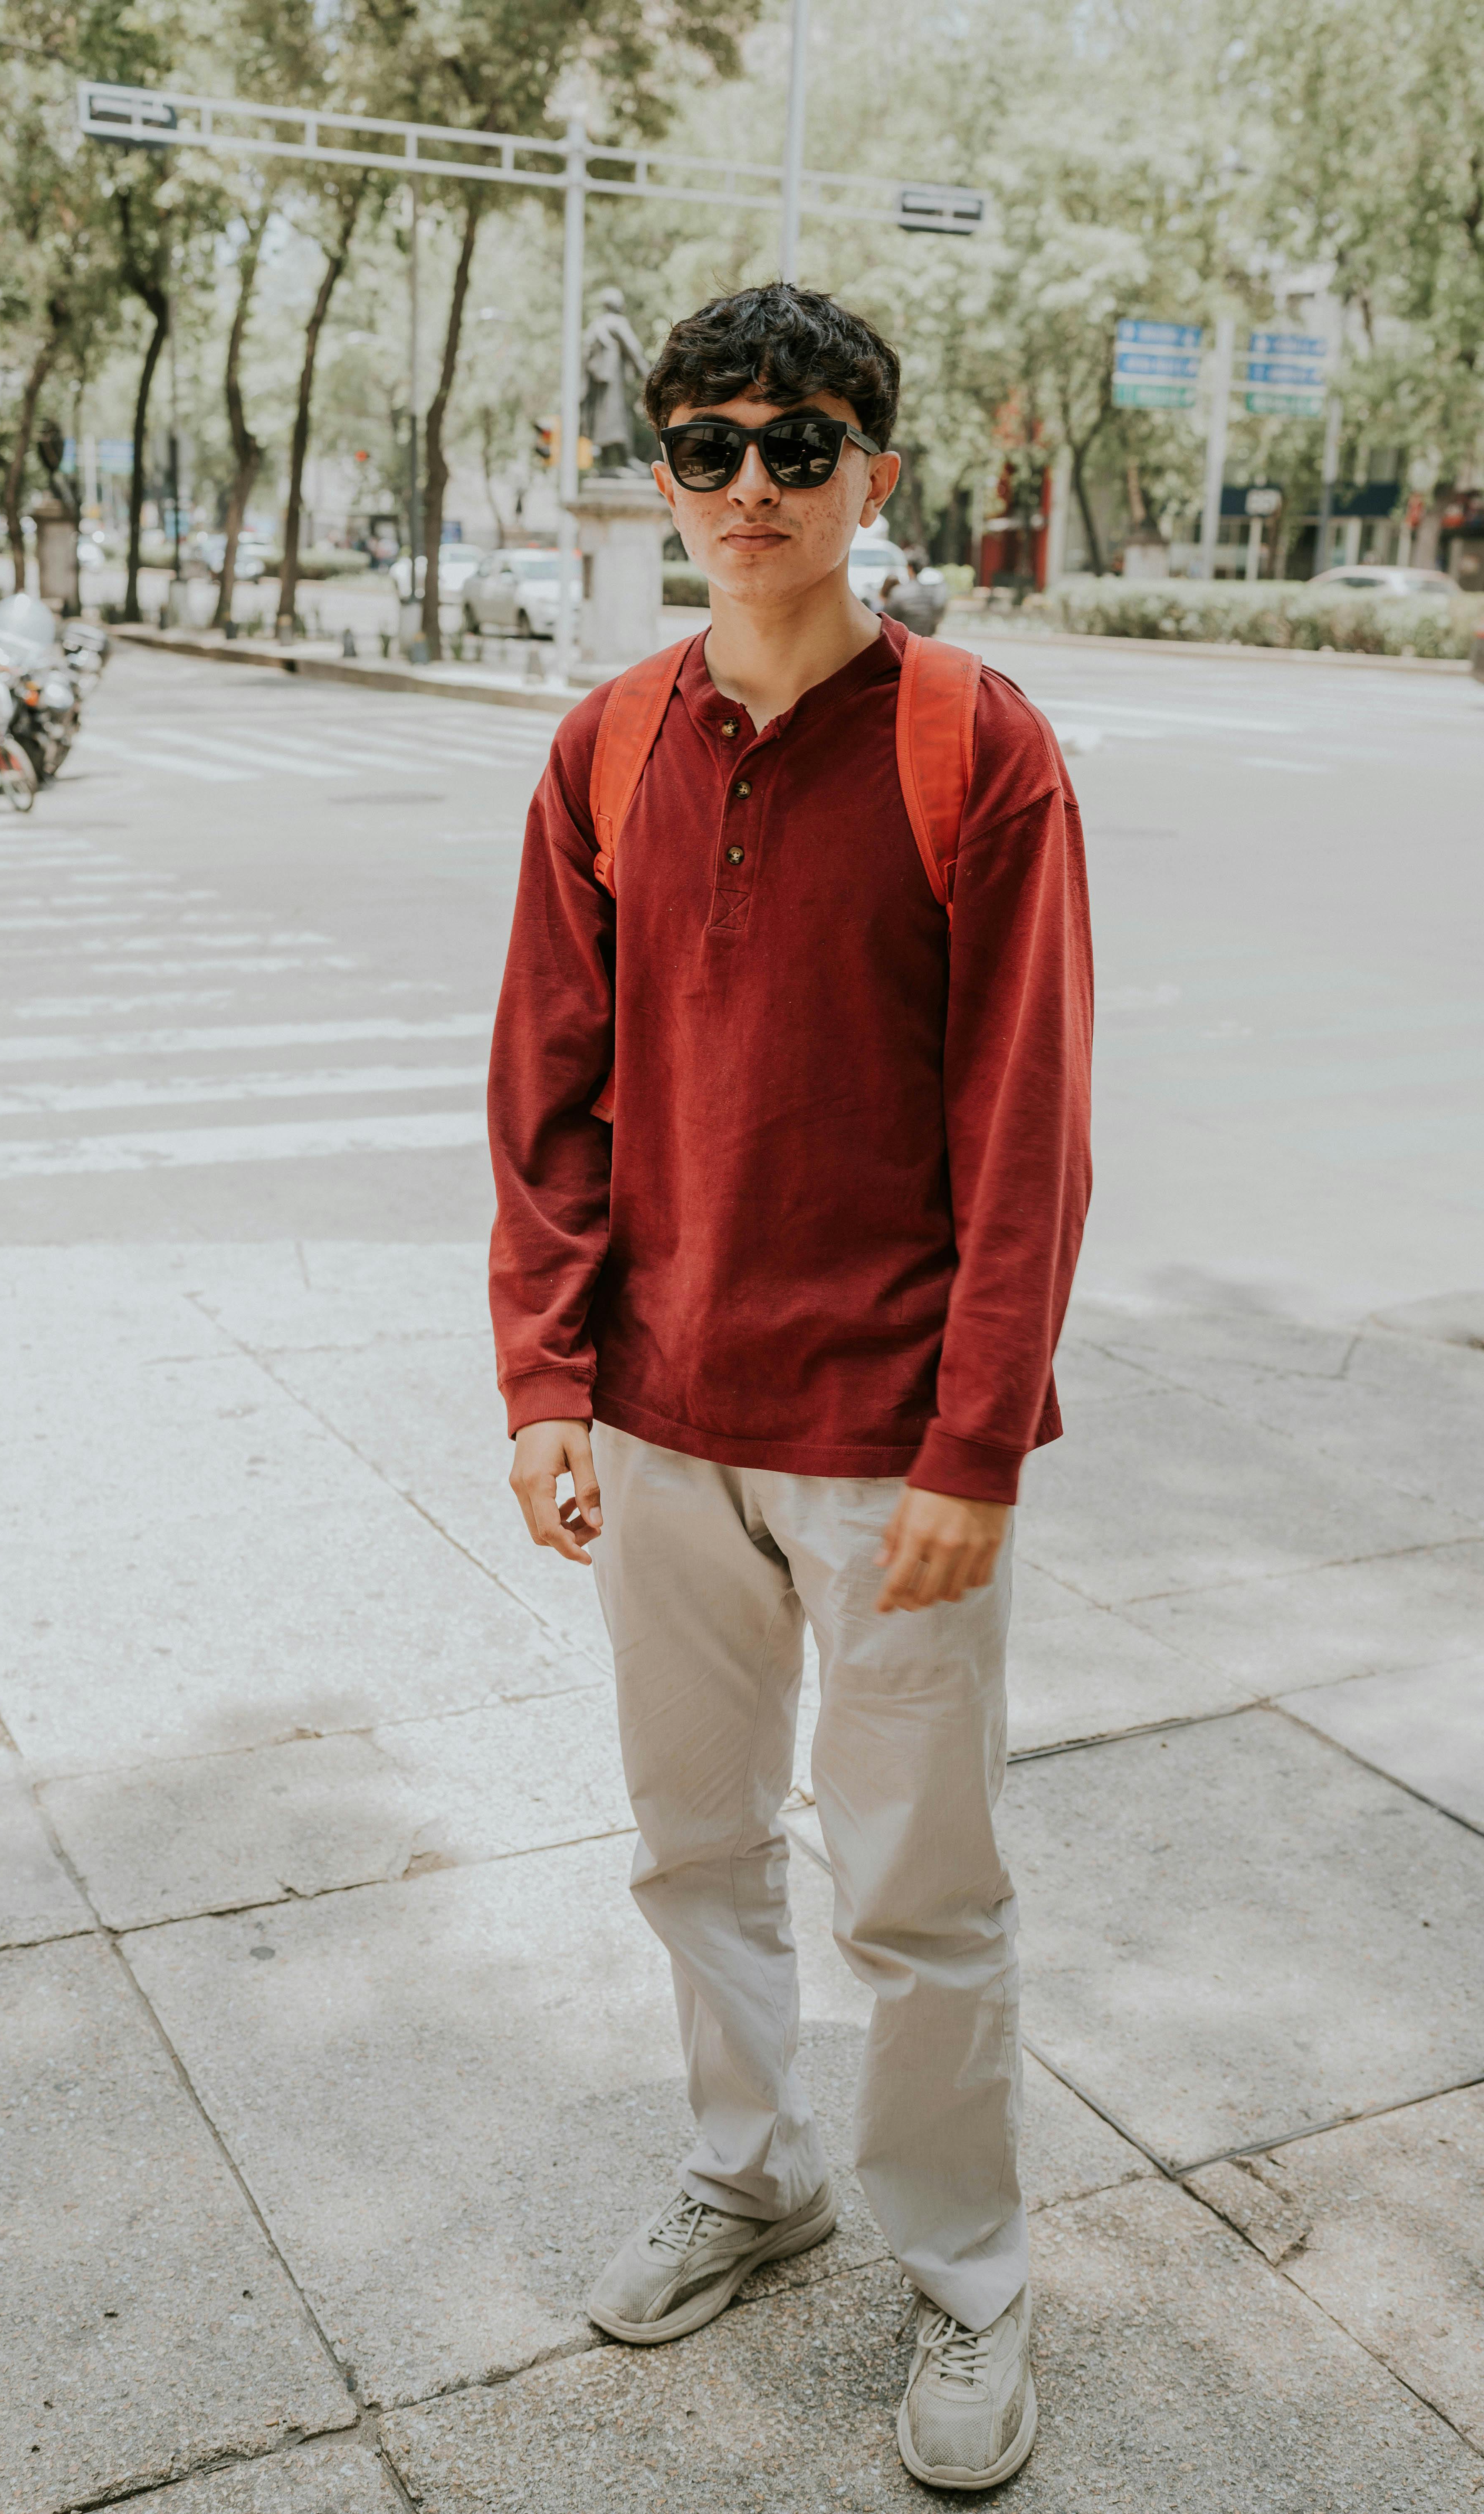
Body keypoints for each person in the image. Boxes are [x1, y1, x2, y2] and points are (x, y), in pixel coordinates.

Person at [487, 283, 1092, 2491]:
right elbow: (548, 1090)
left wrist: (978, 1437)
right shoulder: (607, 745)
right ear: (661, 471)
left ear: (878, 478)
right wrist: (546, 1378)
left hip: (888, 1448)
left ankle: (970, 2278)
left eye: (801, 443)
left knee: (921, 1893)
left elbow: (1026, 1124)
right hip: (656, 1423)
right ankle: (755, 2175)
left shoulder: (974, 745)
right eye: (709, 442)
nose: (753, 482)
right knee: (698, 1847)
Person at [883, 547, 949, 637]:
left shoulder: (899, 592)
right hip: (926, 640)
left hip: (904, 641)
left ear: (910, 568)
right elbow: (938, 614)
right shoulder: (932, 593)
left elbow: (888, 620)